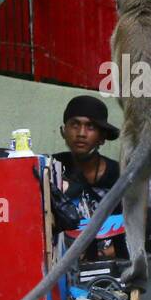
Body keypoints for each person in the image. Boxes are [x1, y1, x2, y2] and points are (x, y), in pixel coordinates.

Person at [48, 95, 127, 261]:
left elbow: (138, 226)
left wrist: (103, 253)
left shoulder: (119, 175)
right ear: (64, 131)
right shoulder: (51, 169)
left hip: (113, 267)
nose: (81, 134)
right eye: (74, 125)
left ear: (102, 137)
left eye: (90, 127)